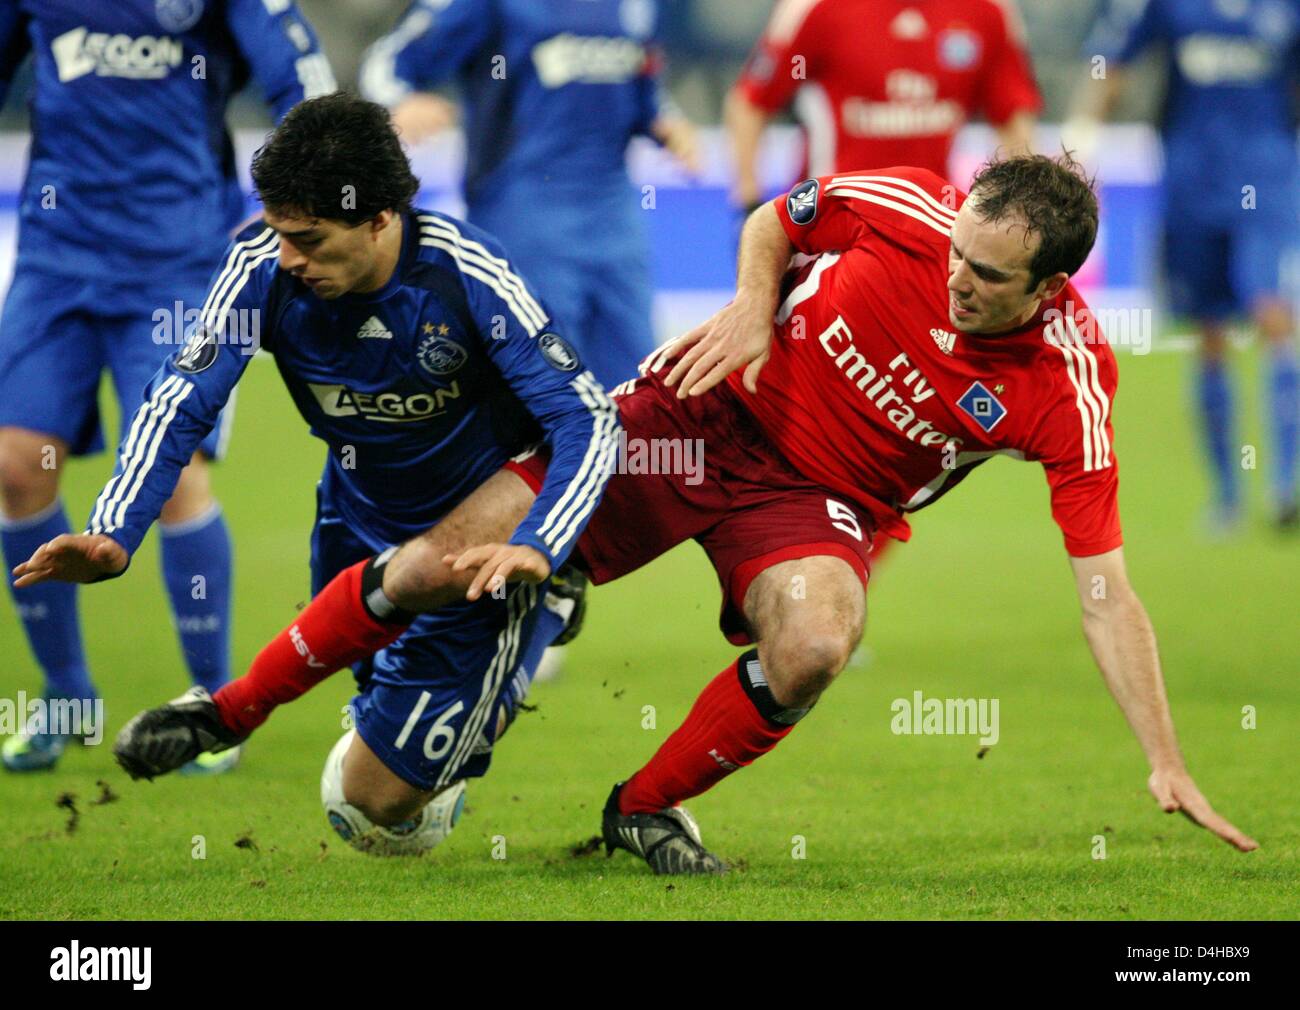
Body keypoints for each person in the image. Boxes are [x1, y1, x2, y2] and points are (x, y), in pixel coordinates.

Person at [40, 154, 1258, 873]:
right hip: (696, 415)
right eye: (954, 257)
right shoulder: (912, 209)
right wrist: (747, 305)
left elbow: (1103, 582)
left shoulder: (1070, 388)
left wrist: (1162, 758)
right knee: (446, 564)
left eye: (984, 281)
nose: (953, 280)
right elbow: (778, 222)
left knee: (818, 639)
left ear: (1052, 287)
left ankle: (640, 809)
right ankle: (229, 707)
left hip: (818, 503)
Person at [13, 93, 618, 834]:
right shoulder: (261, 269)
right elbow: (180, 399)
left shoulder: (467, 275)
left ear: (379, 218)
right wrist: (114, 532)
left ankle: (541, 611)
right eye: (277, 233)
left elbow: (586, 417)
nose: (289, 257)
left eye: (308, 237)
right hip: (353, 524)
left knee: (371, 810)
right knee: (376, 754)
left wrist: (540, 541)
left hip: (477, 538)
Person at [0, 0, 335, 771]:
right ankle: (66, 695)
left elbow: (300, 81)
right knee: (17, 465)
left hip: (179, 260)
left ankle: (210, 703)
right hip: (57, 256)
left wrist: (299, 196)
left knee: (176, 474)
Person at [357, 0, 699, 390]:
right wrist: (399, 100)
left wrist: (666, 121)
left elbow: (643, 82)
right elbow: (387, 60)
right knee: (541, 381)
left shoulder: (635, 5)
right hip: (524, 208)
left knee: (638, 383)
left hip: (615, 211)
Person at [1068, 0, 1300, 530]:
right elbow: (1111, 56)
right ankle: (1226, 497)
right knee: (1208, 332)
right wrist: (1082, 135)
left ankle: (1284, 488)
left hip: (1266, 180)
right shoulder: (1169, 5)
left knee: (1272, 313)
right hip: (1191, 181)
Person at [726, 0, 1041, 212]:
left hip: (935, 222)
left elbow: (1013, 115)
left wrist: (1023, 207)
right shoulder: (816, 8)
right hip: (830, 221)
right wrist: (749, 203)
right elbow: (749, 104)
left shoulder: (987, 11)